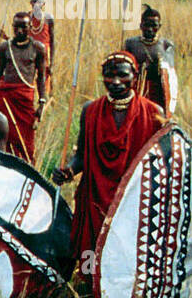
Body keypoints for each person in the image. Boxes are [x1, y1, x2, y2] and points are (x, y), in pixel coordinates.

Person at [52, 52, 164, 262]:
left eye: (122, 75)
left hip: (133, 198)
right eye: (109, 76)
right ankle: (91, 293)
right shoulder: (90, 110)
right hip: (96, 195)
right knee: (93, 256)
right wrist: (68, 171)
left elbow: (161, 165)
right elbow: (82, 156)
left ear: (135, 75)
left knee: (128, 257)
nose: (115, 82)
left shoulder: (153, 113)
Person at [0, 12, 50, 163]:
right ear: (12, 27)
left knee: (26, 144)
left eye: (23, 27)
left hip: (25, 100)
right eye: (16, 27)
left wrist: (42, 102)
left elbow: (41, 77)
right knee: (3, 137)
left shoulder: (38, 48)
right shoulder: (5, 47)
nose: (19, 31)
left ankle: (25, 169)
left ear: (30, 27)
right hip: (5, 99)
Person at [123, 5, 176, 112]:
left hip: (157, 92)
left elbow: (170, 74)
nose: (150, 29)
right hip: (136, 90)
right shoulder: (131, 43)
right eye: (146, 25)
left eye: (154, 25)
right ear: (140, 25)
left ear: (159, 26)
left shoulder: (166, 45)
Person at [27, 0, 57, 72]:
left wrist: (52, 64)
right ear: (30, 3)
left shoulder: (48, 18)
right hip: (29, 58)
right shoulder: (26, 18)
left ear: (43, 3)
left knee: (45, 82)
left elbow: (52, 42)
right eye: (34, 1)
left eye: (39, 1)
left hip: (44, 58)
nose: (36, 4)